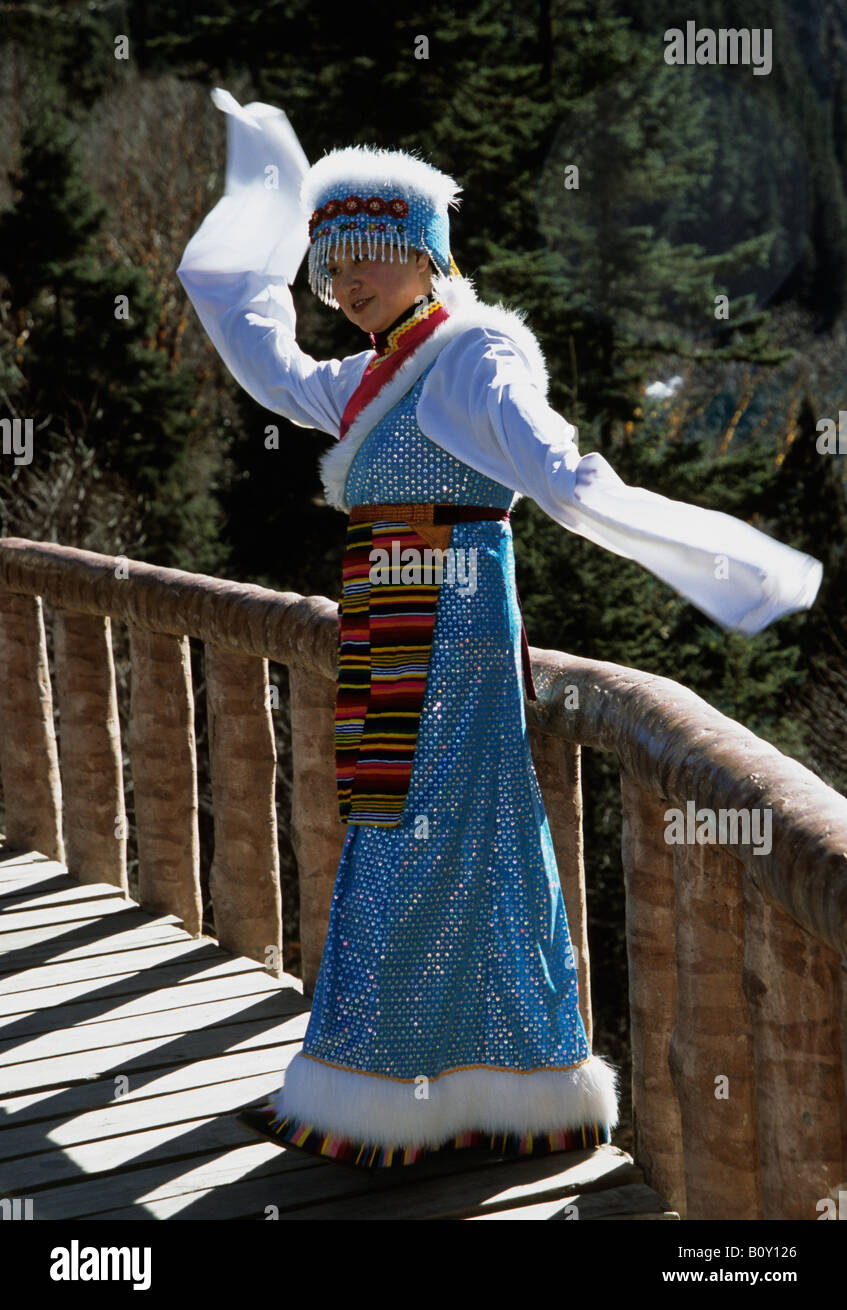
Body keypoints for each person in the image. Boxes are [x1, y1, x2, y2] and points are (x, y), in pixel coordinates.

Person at [177, 90, 823, 1171]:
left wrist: (722, 559)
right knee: (433, 841)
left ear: (428, 254)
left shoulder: (476, 356)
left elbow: (565, 475)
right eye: (331, 264)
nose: (346, 282)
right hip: (399, 627)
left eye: (371, 254)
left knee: (416, 846)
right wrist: (263, 197)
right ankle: (484, 1091)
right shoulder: (370, 374)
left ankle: (378, 1094)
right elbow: (265, 357)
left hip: (456, 628)